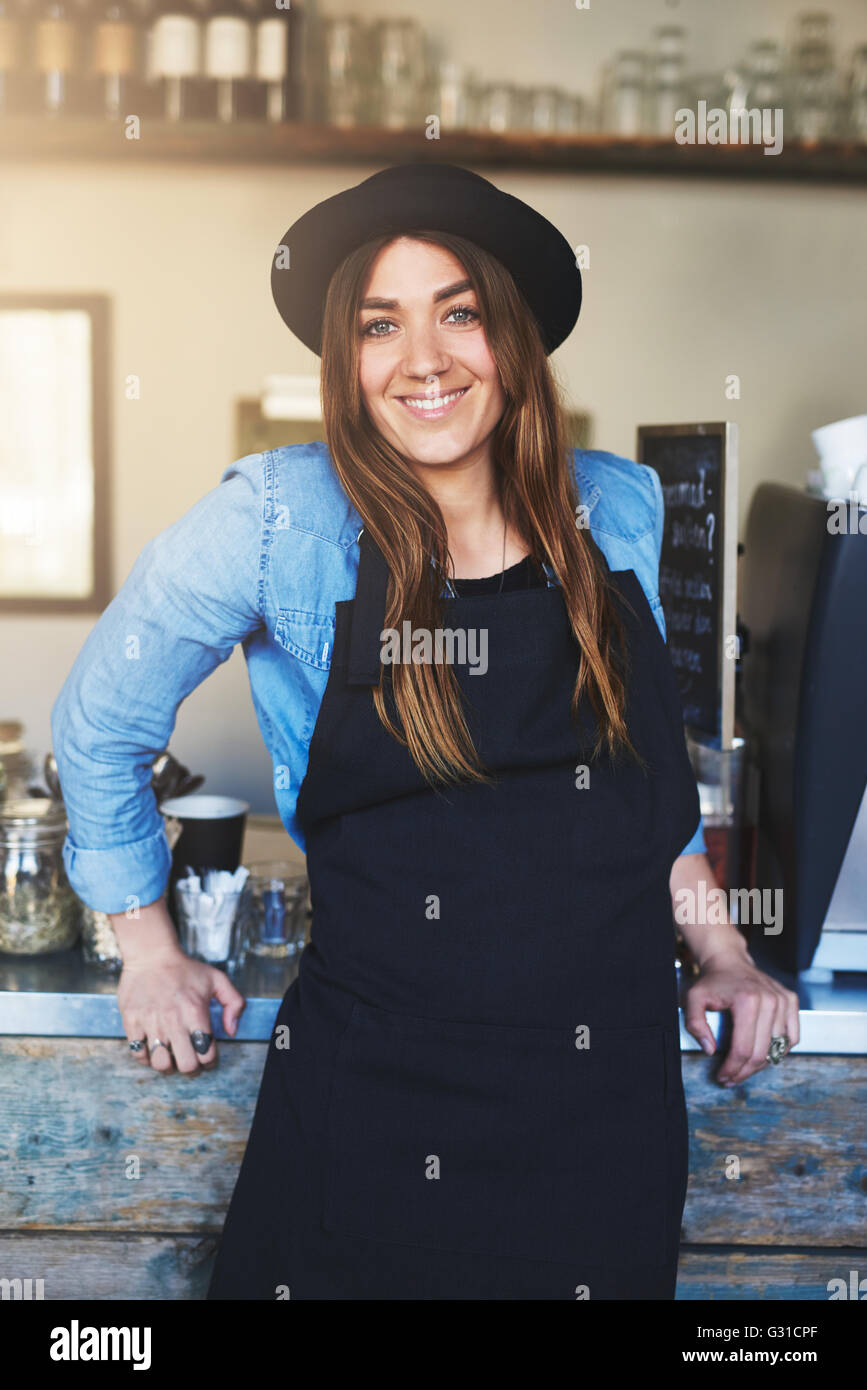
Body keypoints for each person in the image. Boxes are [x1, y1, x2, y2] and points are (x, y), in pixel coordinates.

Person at [51, 164, 799, 1301]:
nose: (425, 358)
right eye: (380, 324)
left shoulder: (622, 510)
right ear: (347, 364)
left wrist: (729, 955)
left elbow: (650, 802)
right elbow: (100, 722)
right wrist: (148, 950)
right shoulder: (277, 520)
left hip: (598, 1126)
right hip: (370, 1104)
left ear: (515, 337)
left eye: (458, 311)